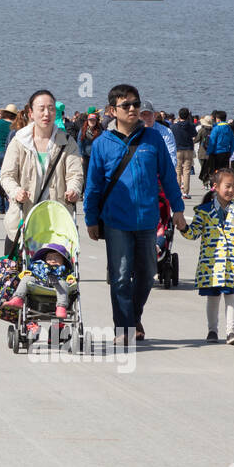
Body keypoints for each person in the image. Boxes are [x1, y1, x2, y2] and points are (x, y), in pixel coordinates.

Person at [84, 84, 187, 344]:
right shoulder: (101, 145)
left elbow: (168, 177)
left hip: (148, 219)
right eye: (126, 105)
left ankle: (133, 315)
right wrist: (91, 219)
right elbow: (93, 186)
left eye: (136, 104)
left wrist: (178, 209)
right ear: (112, 110)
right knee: (120, 275)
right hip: (116, 220)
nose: (132, 109)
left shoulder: (152, 139)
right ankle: (124, 328)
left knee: (147, 272)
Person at [0, 89, 83, 255]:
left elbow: (75, 174)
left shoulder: (67, 142)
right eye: (42, 108)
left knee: (53, 273)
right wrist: (16, 192)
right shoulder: (19, 141)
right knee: (16, 272)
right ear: (31, 113)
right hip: (23, 217)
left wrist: (74, 189)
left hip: (56, 221)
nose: (47, 113)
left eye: (51, 108)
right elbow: (7, 175)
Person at [179, 168, 234, 344]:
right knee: (212, 298)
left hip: (231, 264)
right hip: (210, 265)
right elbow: (193, 233)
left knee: (231, 296)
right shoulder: (203, 211)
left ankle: (231, 332)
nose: (231, 190)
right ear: (215, 187)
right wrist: (182, 227)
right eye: (228, 186)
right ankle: (212, 331)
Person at [171, 108, 196, 198]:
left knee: (177, 170)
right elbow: (195, 135)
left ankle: (177, 190)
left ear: (179, 115)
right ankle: (185, 192)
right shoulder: (191, 126)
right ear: (188, 115)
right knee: (187, 171)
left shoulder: (174, 126)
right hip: (188, 149)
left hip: (178, 149)